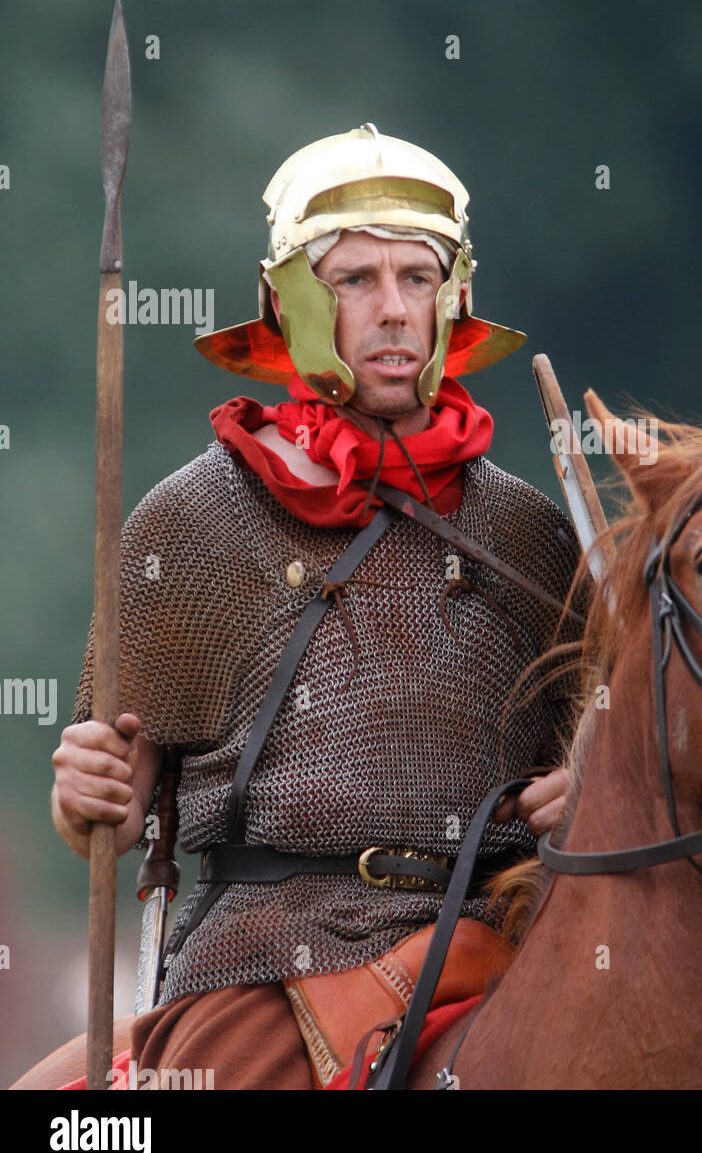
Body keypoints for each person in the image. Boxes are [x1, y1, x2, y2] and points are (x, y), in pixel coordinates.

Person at [32, 125, 582, 1089]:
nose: (393, 310)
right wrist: (88, 795)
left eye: (419, 278)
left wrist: (591, 796)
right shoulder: (192, 521)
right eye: (356, 279)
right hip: (273, 958)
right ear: (287, 300)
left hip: (500, 942)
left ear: (455, 302)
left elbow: (607, 768)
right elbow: (110, 822)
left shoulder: (531, 533)